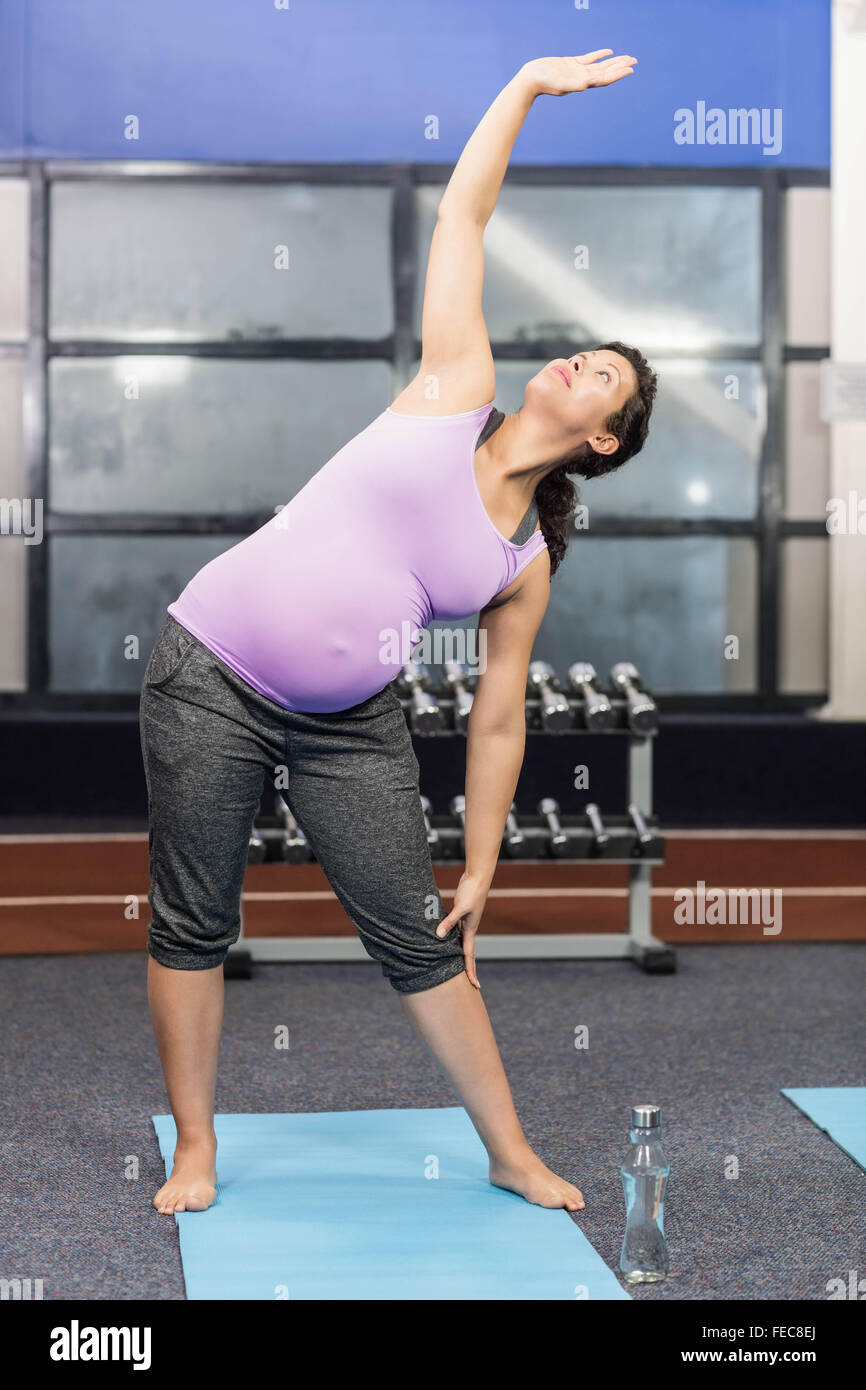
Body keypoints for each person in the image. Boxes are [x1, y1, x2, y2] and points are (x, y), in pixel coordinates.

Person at [141, 50, 657, 1218]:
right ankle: (195, 1149)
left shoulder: (522, 565)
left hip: (349, 726)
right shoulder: (452, 378)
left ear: (605, 439)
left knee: (425, 941)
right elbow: (464, 213)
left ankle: (511, 1151)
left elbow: (495, 717)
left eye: (604, 377)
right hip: (204, 672)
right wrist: (522, 88)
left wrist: (481, 862)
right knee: (192, 916)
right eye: (585, 351)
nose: (578, 360)